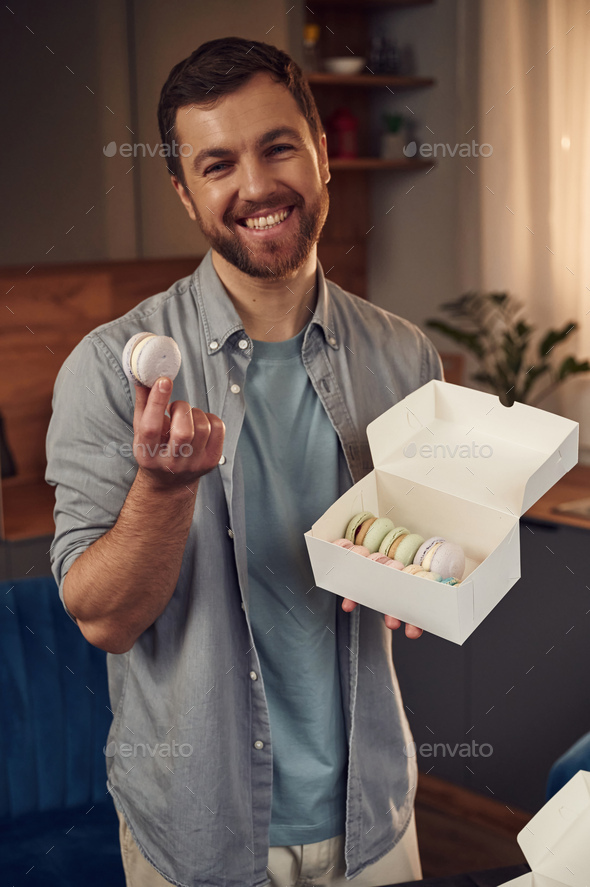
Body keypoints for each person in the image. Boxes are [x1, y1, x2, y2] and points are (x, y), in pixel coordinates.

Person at [45, 37, 443, 887]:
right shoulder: (107, 367)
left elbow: (423, 554)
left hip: (374, 817)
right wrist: (163, 487)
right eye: (218, 164)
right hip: (200, 828)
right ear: (185, 192)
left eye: (278, 147)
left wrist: (431, 573)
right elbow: (104, 619)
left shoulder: (405, 357)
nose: (257, 186)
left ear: (322, 153)